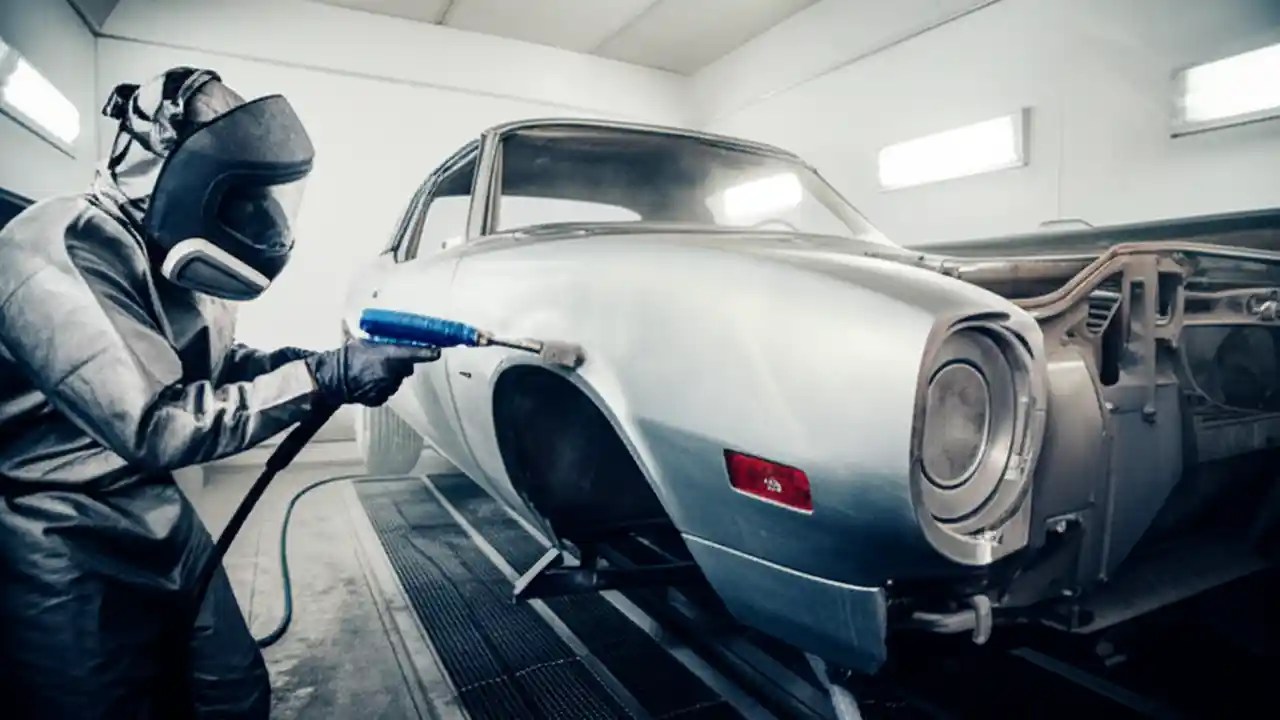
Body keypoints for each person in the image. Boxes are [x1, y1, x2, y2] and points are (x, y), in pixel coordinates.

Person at [0, 67, 438, 719]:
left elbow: (211, 367)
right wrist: (326, 378)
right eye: (238, 192)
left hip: (154, 511)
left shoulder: (162, 254)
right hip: (61, 533)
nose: (255, 215)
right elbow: (155, 424)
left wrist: (312, 364)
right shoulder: (60, 247)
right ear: (163, 163)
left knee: (228, 690)